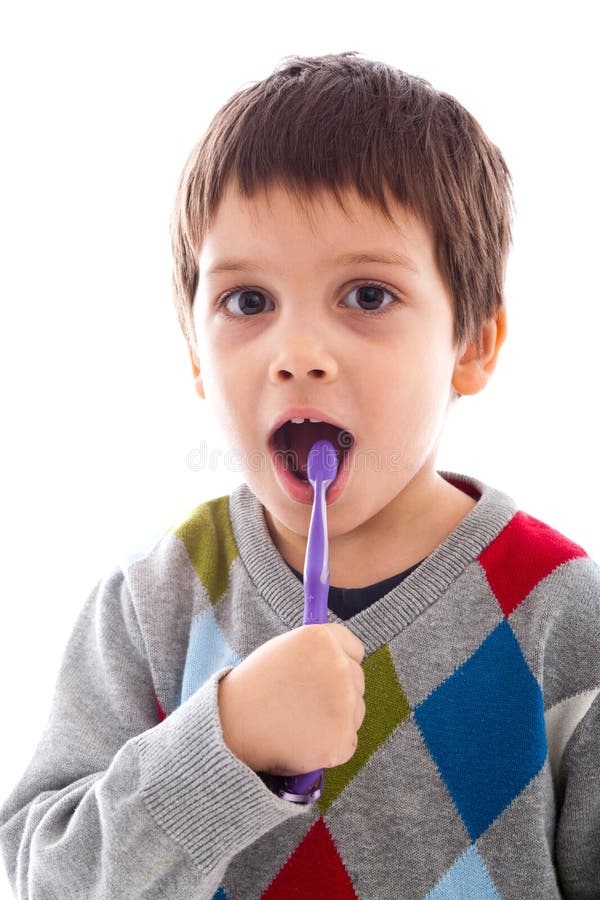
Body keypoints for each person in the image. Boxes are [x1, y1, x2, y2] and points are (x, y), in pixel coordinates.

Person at [1, 51, 598, 900]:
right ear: (195, 353)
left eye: (367, 296)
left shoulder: (562, 614)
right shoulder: (152, 604)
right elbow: (46, 877)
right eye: (248, 302)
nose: (298, 354)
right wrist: (224, 744)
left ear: (472, 344)